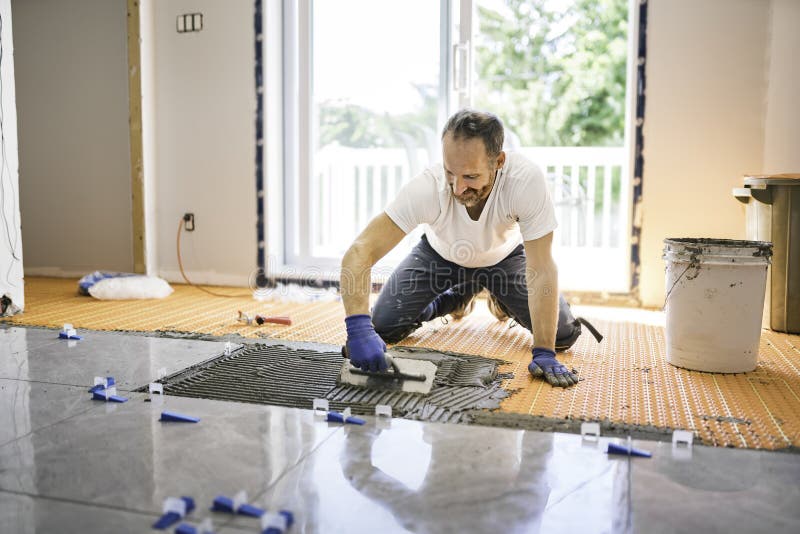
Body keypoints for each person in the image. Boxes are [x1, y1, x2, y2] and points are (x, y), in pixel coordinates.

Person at [339, 109, 601, 388]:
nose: (458, 187)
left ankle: (500, 297)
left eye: (471, 177)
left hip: (504, 258)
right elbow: (360, 250)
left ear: (499, 161)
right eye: (450, 172)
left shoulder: (525, 181)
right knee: (383, 328)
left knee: (562, 336)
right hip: (439, 255)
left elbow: (542, 266)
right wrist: (358, 325)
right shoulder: (428, 186)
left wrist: (545, 352)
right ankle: (456, 297)